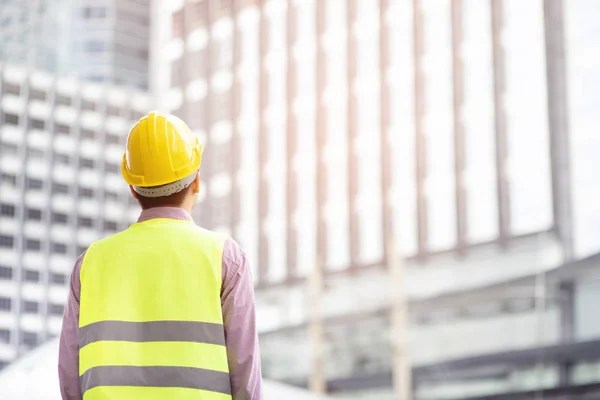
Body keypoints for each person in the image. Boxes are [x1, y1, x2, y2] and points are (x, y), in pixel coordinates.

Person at [58, 111, 262, 400]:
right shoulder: (226, 259)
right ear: (197, 182)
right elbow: (245, 376)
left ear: (132, 188)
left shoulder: (90, 264)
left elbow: (70, 376)